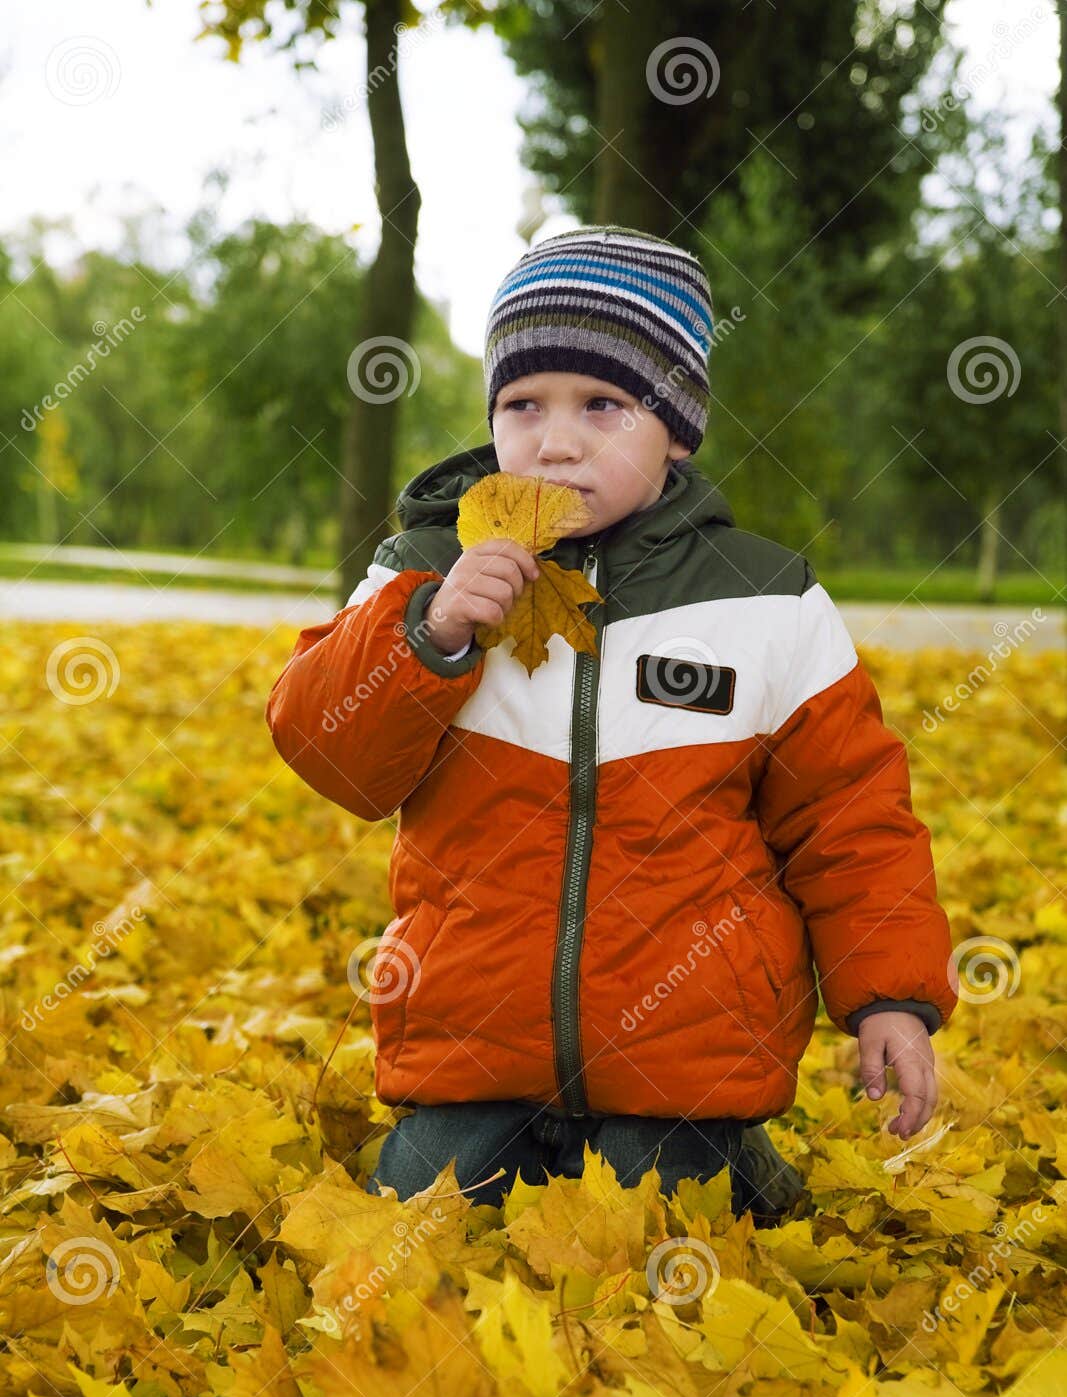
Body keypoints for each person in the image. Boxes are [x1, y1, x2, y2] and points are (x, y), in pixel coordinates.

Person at [265, 224, 958, 1224]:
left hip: (680, 1057)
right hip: (471, 1047)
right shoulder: (424, 568)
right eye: (522, 404)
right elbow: (331, 753)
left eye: (603, 404)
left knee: (668, 1227)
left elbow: (851, 820)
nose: (554, 439)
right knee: (415, 1223)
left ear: (674, 427)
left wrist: (886, 996)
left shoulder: (763, 599)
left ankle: (740, 1171)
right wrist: (429, 631)